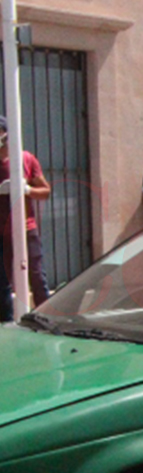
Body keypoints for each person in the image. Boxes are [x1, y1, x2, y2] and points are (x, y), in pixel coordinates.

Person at [0, 116, 52, 322]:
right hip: (1, 232)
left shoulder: (25, 159)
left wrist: (28, 189)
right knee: (2, 282)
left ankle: (45, 318)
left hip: (25, 228)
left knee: (37, 277)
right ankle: (6, 322)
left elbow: (45, 191)